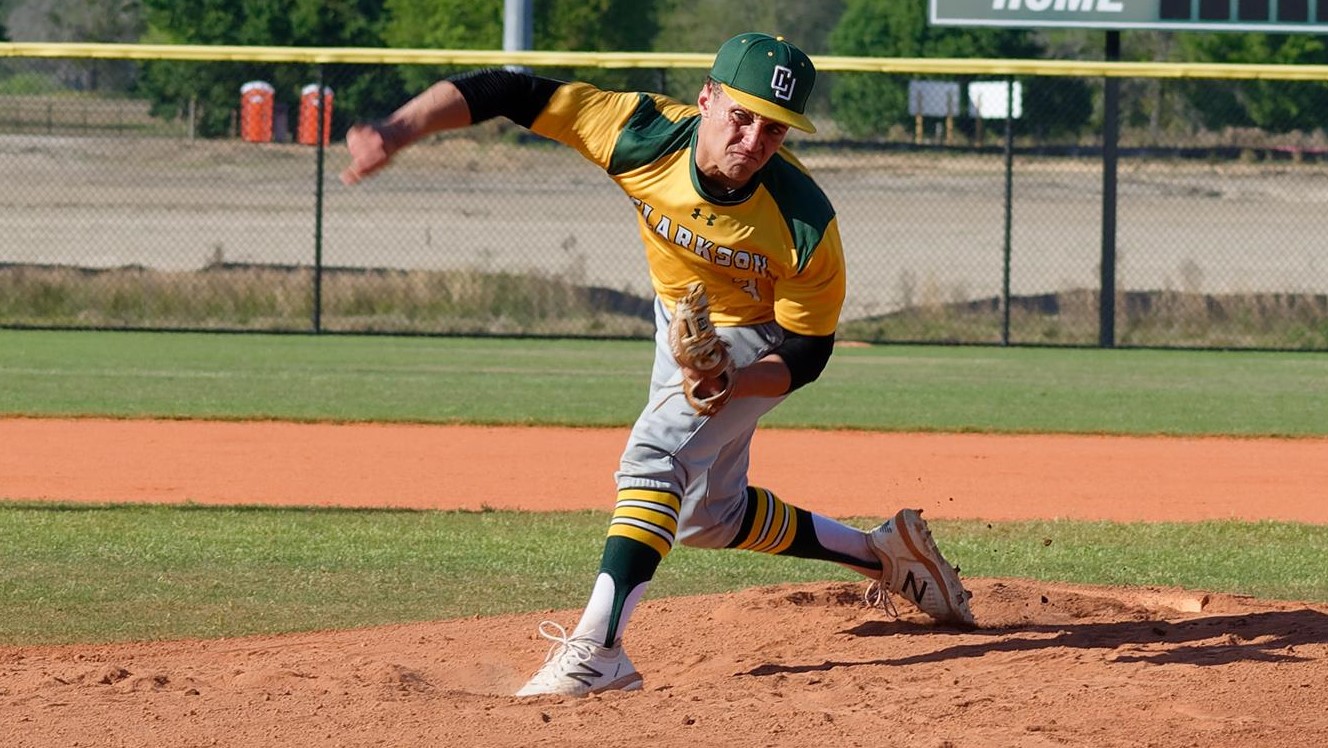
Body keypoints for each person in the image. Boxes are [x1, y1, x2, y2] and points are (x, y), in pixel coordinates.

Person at [342, 32, 975, 698]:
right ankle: (883, 553)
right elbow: (511, 90)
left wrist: (735, 381)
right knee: (708, 517)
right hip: (681, 322)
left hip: (757, 336)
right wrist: (396, 129)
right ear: (707, 98)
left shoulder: (804, 223)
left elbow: (807, 351)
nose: (756, 138)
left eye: (776, 127)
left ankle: (599, 649)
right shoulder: (639, 133)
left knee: (653, 460)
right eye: (743, 115)